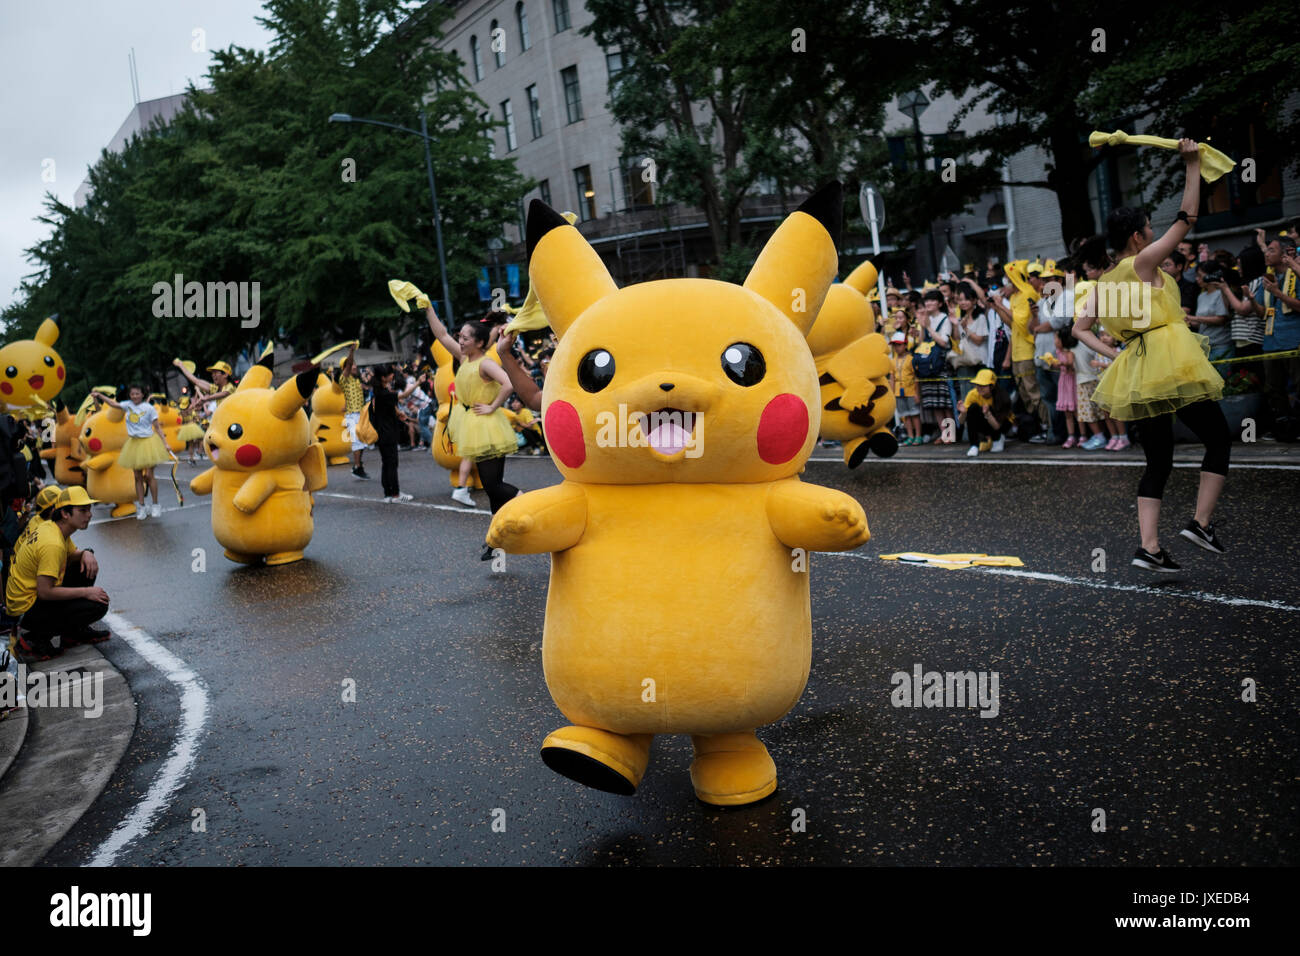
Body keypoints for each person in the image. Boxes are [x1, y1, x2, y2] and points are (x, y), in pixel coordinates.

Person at [1073, 139, 1230, 573]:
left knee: (1158, 459)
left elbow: (1079, 329)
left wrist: (1117, 351)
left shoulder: (1105, 281)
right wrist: (1193, 166)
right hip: (1169, 359)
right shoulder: (1143, 262)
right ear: (1139, 235)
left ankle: (1150, 547)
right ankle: (1200, 523)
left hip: (1140, 365)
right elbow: (1188, 219)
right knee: (1217, 438)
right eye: (1148, 225)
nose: (1152, 230)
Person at [425, 305, 519, 558]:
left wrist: (492, 406)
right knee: (492, 488)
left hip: (487, 425)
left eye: (465, 338)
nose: (460, 340)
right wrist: (428, 309)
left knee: (493, 485)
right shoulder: (464, 358)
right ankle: (495, 541)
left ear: (478, 342)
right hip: (473, 422)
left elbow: (509, 383)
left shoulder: (485, 364)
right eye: (461, 337)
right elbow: (442, 335)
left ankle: (525, 501)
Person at [6, 486, 109, 657]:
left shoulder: (53, 527)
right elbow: (45, 592)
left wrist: (86, 552)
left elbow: (72, 556)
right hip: (26, 610)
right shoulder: (52, 543)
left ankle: (72, 635)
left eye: (89, 509)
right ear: (65, 514)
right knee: (97, 606)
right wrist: (86, 592)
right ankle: (35, 638)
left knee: (84, 567)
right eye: (83, 510)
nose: (89, 515)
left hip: (29, 601)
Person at [92, 386, 173, 519]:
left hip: (148, 443)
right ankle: (141, 506)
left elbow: (157, 427)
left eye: (137, 393)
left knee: (150, 475)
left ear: (142, 394)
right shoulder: (127, 405)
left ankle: (155, 505)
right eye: (132, 394)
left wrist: (165, 443)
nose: (134, 396)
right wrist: (99, 396)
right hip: (134, 444)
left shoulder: (149, 408)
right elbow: (113, 403)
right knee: (137, 477)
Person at [368, 364, 417, 503]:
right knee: (392, 463)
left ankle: (388, 494)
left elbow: (391, 407)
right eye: (389, 374)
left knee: (386, 463)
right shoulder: (384, 393)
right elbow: (404, 395)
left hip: (381, 433)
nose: (392, 376)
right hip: (388, 432)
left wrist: (398, 413)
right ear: (383, 378)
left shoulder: (377, 392)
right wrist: (418, 382)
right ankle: (396, 494)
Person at [337, 345, 373, 479]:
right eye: (352, 365)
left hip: (360, 415)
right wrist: (351, 351)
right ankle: (357, 467)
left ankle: (358, 466)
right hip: (353, 416)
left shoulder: (356, 380)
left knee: (363, 442)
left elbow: (350, 395)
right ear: (345, 368)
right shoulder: (344, 378)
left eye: (355, 365)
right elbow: (349, 364)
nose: (354, 367)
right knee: (357, 442)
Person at [1187, 261, 1233, 362]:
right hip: (1205, 345)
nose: (1197, 279)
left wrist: (1193, 318)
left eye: (1200, 275)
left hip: (1220, 345)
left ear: (1210, 275)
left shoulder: (1221, 293)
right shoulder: (1201, 296)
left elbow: (1221, 319)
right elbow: (1201, 324)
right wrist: (1188, 321)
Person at [957, 369, 1010, 457]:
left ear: (992, 386)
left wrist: (988, 414)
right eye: (978, 384)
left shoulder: (1002, 397)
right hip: (985, 423)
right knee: (973, 408)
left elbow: (997, 426)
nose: (979, 387)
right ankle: (974, 445)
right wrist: (963, 413)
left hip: (1000, 425)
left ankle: (997, 438)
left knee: (992, 413)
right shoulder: (972, 394)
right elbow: (961, 422)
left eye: (983, 385)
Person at [889, 330, 922, 445]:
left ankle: (918, 435)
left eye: (899, 345)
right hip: (899, 392)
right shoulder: (893, 361)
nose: (896, 348)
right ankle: (910, 435)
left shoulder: (911, 359)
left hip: (911, 391)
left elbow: (916, 377)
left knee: (914, 414)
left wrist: (917, 393)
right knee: (905, 415)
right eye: (894, 345)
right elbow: (892, 378)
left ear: (905, 345)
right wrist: (892, 393)